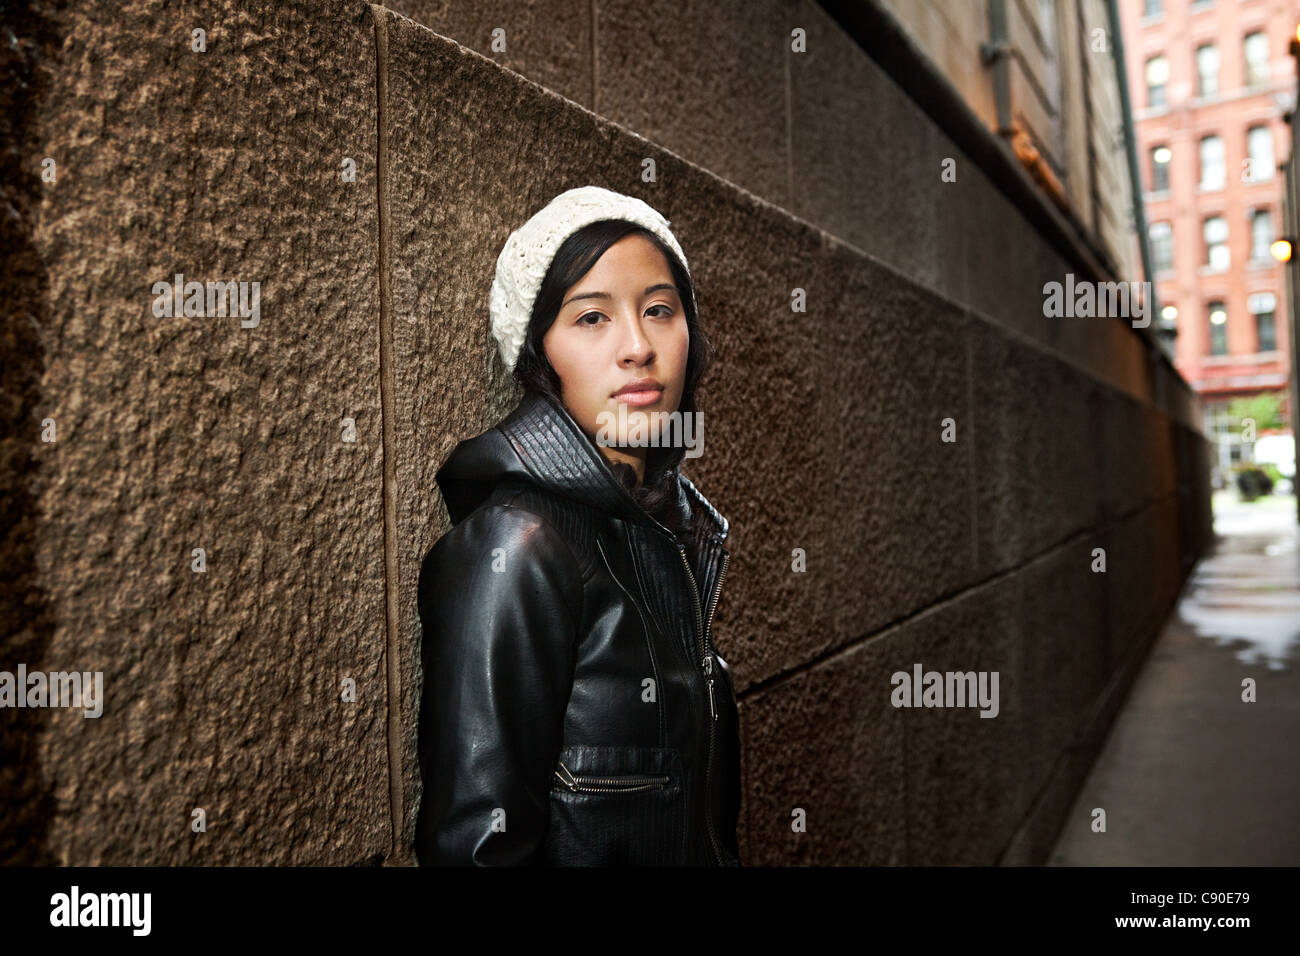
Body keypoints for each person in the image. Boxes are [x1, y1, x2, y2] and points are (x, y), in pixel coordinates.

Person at [414, 185, 740, 866]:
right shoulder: (517, 545)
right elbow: (477, 852)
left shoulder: (666, 531)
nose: (637, 347)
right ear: (540, 357)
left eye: (659, 310)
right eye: (592, 318)